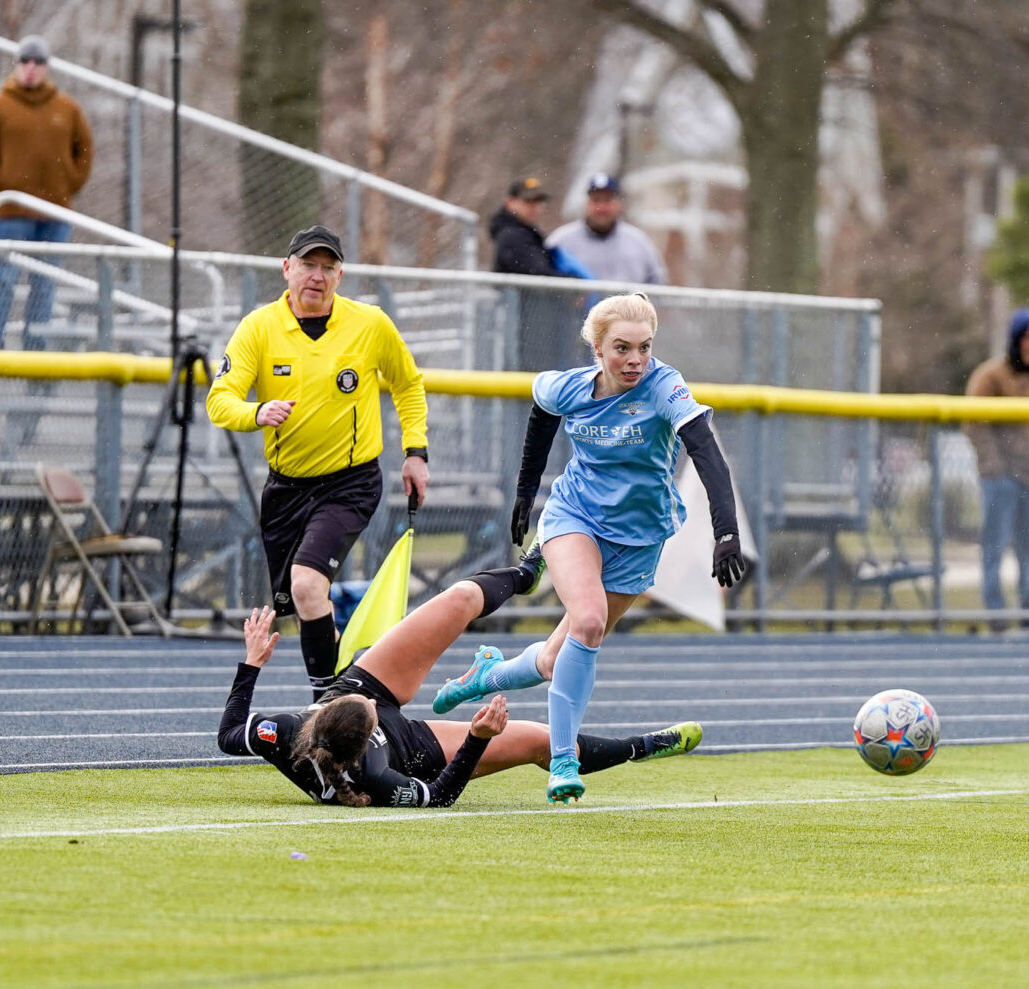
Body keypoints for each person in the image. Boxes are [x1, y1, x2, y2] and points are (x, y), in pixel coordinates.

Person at [433, 292, 746, 804]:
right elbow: (541, 413)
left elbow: (703, 446)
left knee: (558, 660)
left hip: (642, 538)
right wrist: (525, 492)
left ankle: (487, 674)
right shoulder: (570, 386)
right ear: (597, 349)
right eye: (622, 348)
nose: (635, 360)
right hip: (574, 519)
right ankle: (562, 761)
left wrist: (725, 530)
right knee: (590, 622)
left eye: (644, 348)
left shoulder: (664, 385)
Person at [216, 560, 701, 807]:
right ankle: (644, 746)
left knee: (462, 597)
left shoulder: (281, 732)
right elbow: (442, 796)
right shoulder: (381, 778)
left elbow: (228, 735)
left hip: (354, 721)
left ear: (318, 717)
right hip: (417, 750)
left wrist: (251, 663)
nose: (365, 699)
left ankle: (525, 568)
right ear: (368, 738)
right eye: (366, 708)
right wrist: (476, 738)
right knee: (541, 742)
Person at [207, 225, 429, 699]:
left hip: (350, 483)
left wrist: (415, 452)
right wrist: (256, 413)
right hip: (286, 488)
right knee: (307, 605)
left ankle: (324, 707)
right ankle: (345, 689)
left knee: (307, 585)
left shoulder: (369, 324)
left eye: (328, 268)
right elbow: (218, 400)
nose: (318, 276)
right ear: (287, 269)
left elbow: (408, 384)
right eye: (308, 265)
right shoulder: (258, 327)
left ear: (340, 275)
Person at [0, 35, 93, 350]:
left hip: (54, 214)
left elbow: (85, 149)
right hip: (11, 213)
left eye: (38, 62)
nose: (31, 68)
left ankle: (34, 354)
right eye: (25, 61)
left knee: (44, 285)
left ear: (47, 67)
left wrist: (69, 184)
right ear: (17, 65)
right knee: (3, 281)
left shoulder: (67, 108)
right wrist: (3, 183)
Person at [963, 307, 1029, 621]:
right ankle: (995, 612)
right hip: (1002, 477)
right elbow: (974, 421)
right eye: (1028, 338)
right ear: (1016, 341)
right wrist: (994, 466)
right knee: (995, 544)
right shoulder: (991, 376)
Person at [489, 176, 586, 370]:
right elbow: (538, 275)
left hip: (531, 328)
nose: (534, 207)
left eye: (538, 201)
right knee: (526, 383)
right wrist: (572, 284)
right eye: (527, 201)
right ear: (510, 202)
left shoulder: (523, 232)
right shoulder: (513, 236)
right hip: (524, 331)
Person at [545, 174, 668, 285]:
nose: (602, 207)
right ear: (586, 204)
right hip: (576, 311)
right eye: (596, 200)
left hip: (625, 310)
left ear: (619, 204)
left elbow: (657, 281)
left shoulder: (638, 241)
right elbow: (544, 278)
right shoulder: (561, 240)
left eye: (607, 201)